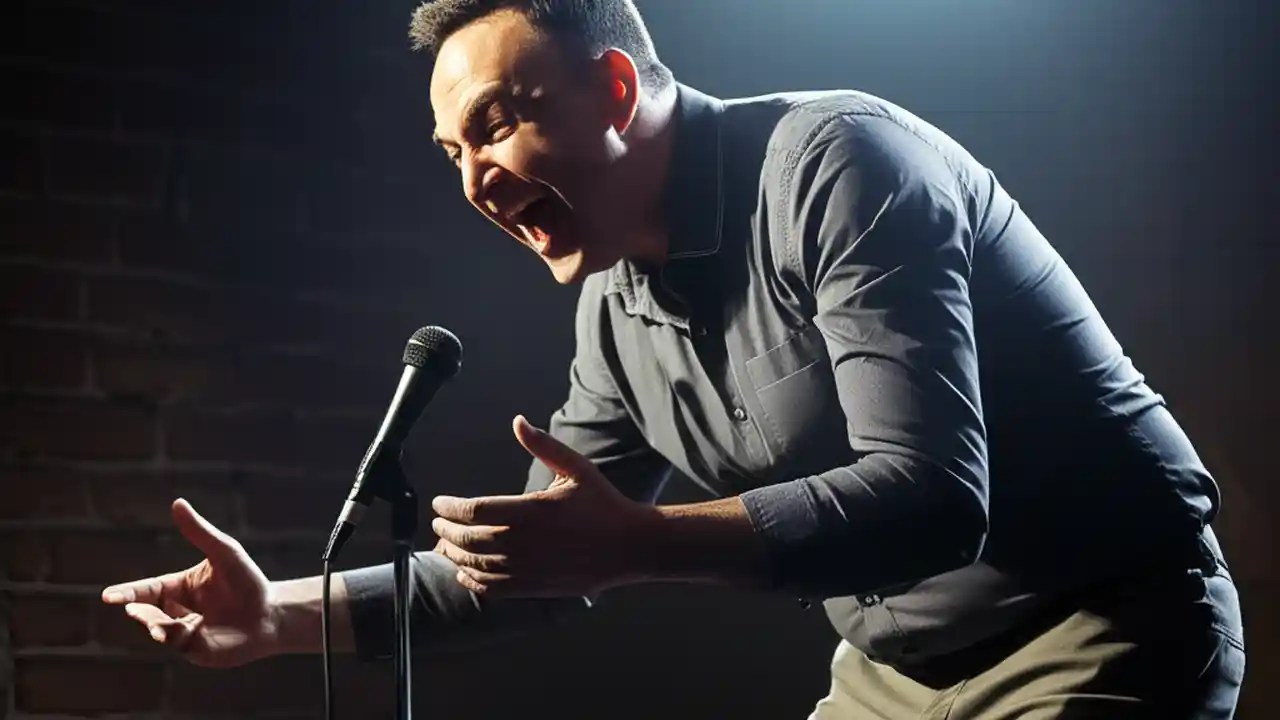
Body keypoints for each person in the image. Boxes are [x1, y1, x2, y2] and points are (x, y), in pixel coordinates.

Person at [102, 0, 1246, 716]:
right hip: (891, 682)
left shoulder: (836, 162)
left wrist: (637, 541)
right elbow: (535, 560)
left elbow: (935, 498)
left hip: (1098, 631)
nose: (473, 182)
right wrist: (278, 616)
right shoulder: (610, 312)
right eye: (453, 152)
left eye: (497, 123)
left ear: (614, 88)